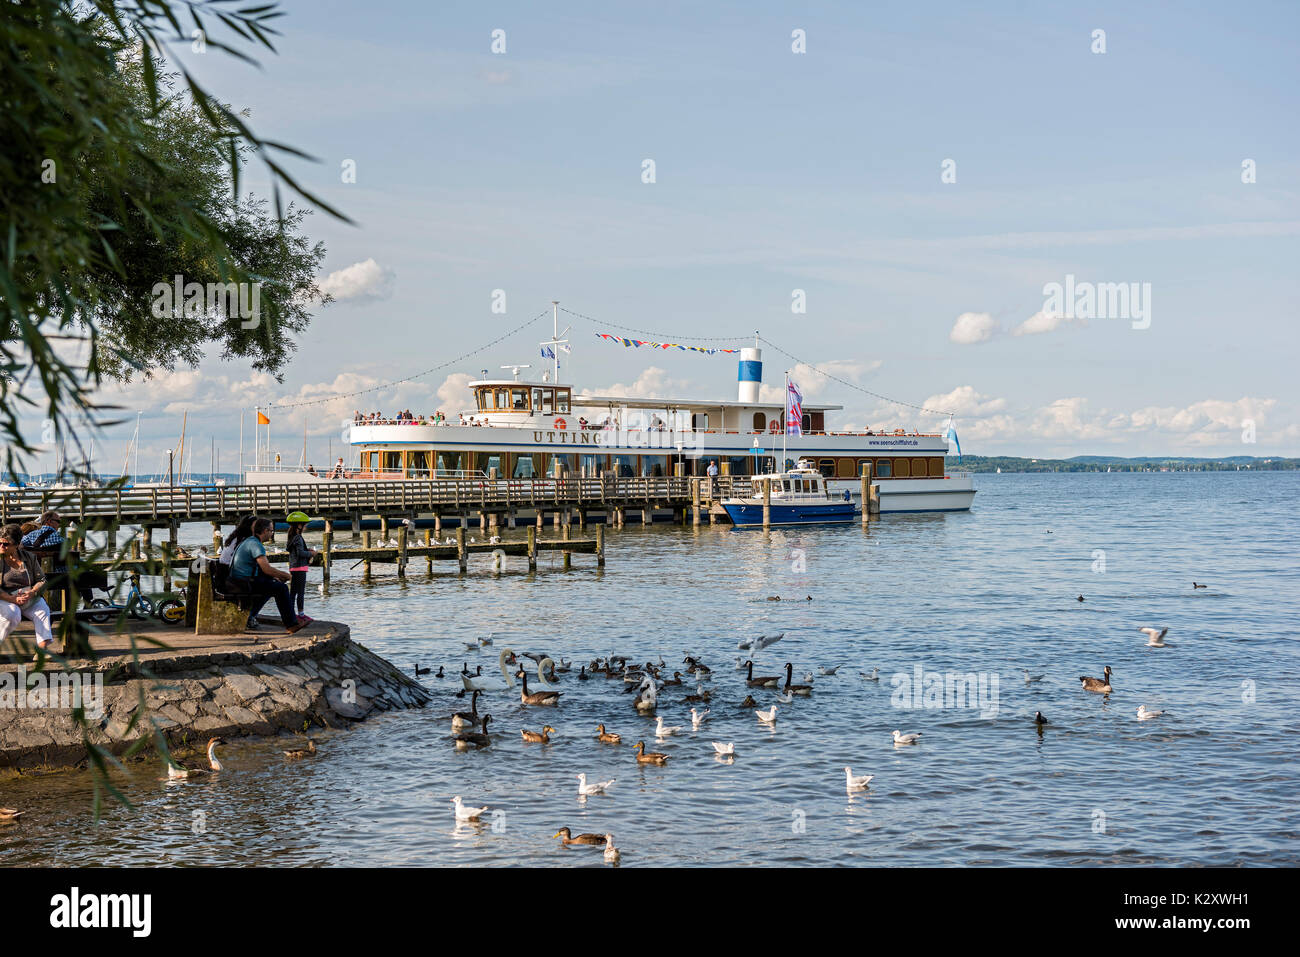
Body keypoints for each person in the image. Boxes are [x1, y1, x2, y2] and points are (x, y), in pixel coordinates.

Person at [226, 518, 303, 634]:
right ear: (265, 531)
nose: (272, 534)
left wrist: (275, 577)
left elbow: (260, 570)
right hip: (242, 583)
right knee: (281, 588)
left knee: (273, 585)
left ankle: (249, 615)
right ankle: (291, 624)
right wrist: (288, 576)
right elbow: (266, 569)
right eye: (271, 531)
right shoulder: (255, 544)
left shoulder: (249, 541)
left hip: (237, 581)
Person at [22, 510, 107, 604]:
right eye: (58, 521)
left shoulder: (30, 536)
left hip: (36, 575)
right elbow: (73, 556)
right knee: (81, 571)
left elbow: (20, 546)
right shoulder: (60, 538)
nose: (59, 524)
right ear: (49, 521)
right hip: (60, 577)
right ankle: (88, 600)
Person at [0, 523, 54, 654]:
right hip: (4, 597)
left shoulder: (29, 557)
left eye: (6, 544)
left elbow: (42, 580)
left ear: (17, 544)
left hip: (26, 596)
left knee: (42, 610)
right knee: (13, 614)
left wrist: (32, 592)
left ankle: (42, 651)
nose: (1, 546)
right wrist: (11, 598)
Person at [284, 511, 318, 623]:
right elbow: (300, 553)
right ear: (299, 525)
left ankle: (290, 613)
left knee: (293, 592)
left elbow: (297, 551)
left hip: (294, 567)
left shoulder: (292, 537)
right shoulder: (298, 538)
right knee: (300, 592)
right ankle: (301, 614)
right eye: (305, 524)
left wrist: (307, 550)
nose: (306, 526)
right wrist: (311, 554)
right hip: (300, 568)